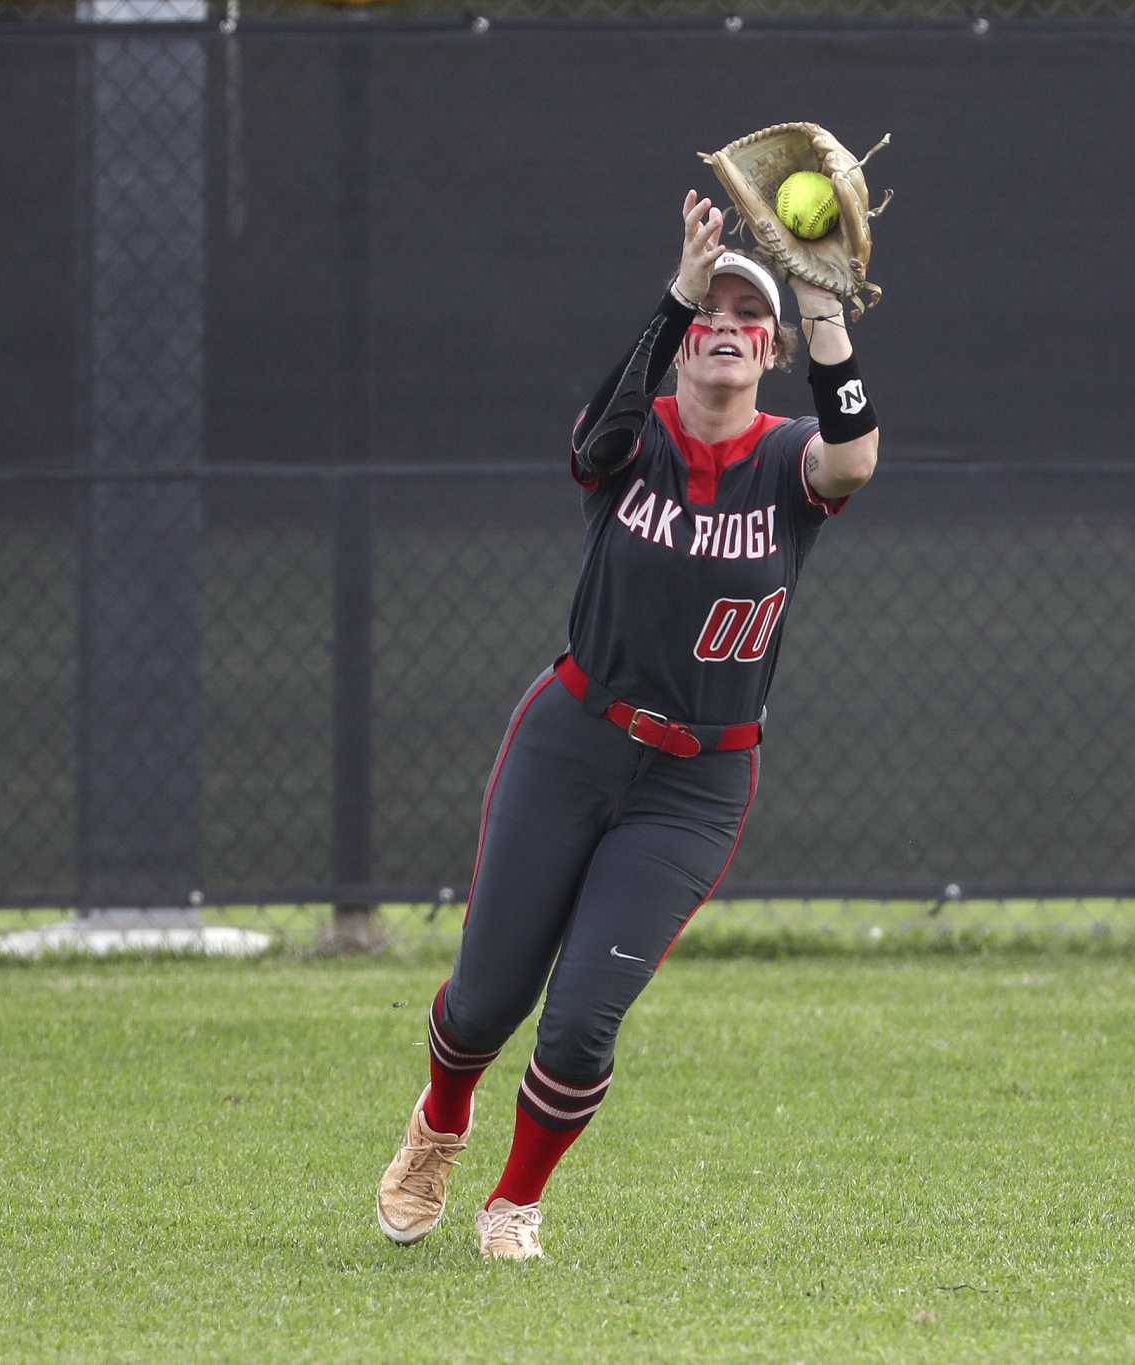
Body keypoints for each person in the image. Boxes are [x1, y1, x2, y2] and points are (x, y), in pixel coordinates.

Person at [376, 192, 882, 1261]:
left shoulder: (789, 459)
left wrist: (820, 301)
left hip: (695, 787)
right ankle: (439, 1125)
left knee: (578, 1021)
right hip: (571, 741)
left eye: (751, 322)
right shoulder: (635, 438)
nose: (729, 330)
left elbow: (855, 459)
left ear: (774, 353)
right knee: (485, 1001)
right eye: (714, 319)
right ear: (686, 340)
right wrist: (679, 290)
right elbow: (595, 434)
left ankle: (513, 1202)